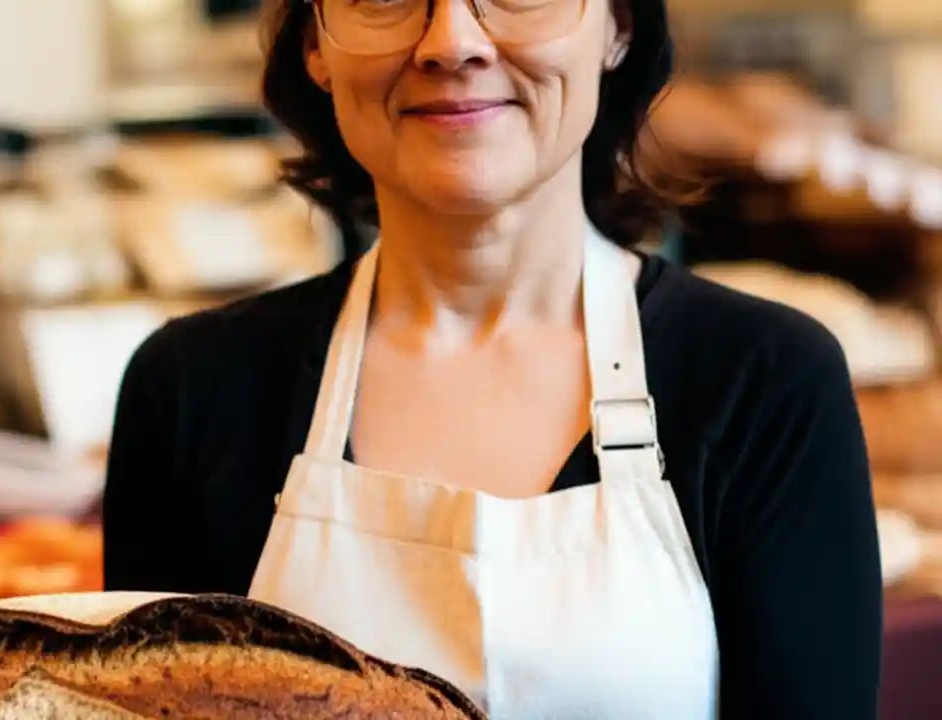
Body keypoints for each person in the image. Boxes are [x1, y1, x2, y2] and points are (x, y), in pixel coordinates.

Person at [104, 0, 883, 716]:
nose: (452, 42)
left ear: (617, 26)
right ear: (315, 42)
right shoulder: (191, 389)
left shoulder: (764, 380)